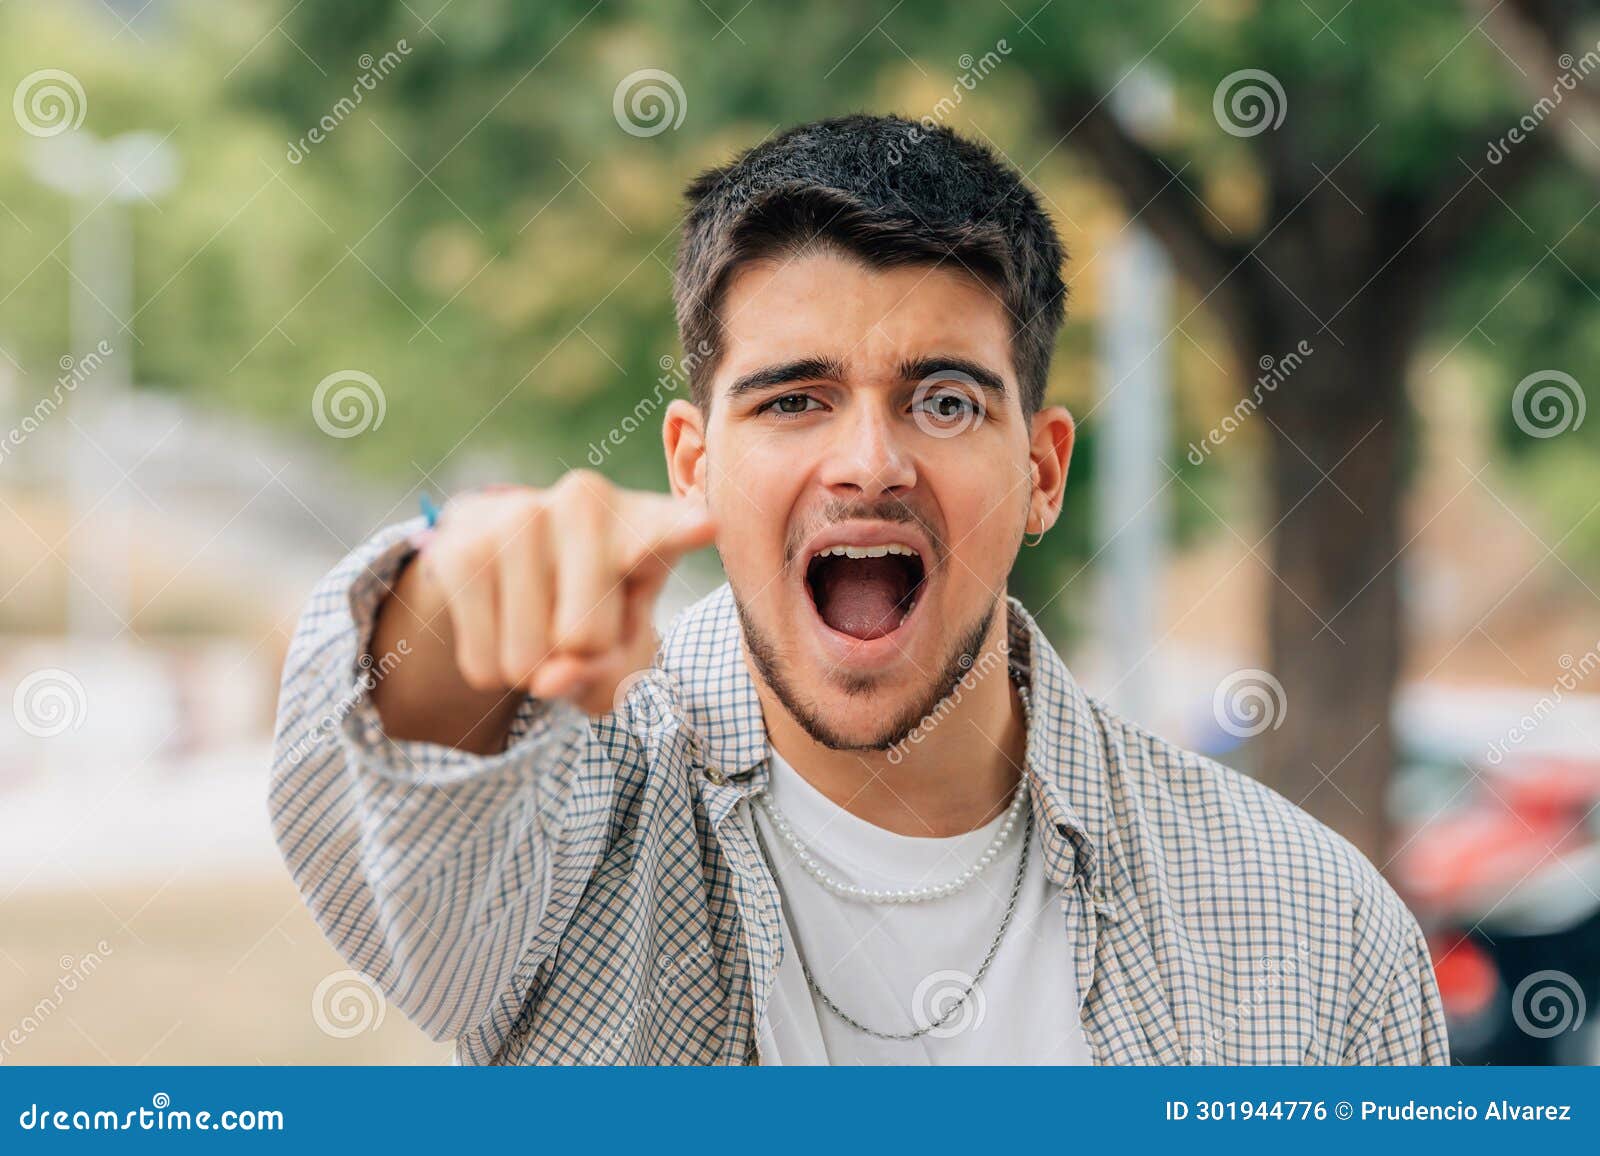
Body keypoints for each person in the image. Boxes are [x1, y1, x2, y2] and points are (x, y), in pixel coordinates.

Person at [269, 114, 1448, 1065]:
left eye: (943, 400)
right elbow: (407, 808)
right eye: (793, 398)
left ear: (1040, 473)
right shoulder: (583, 822)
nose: (870, 463)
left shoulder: (1310, 928)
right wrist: (452, 608)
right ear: (694, 465)